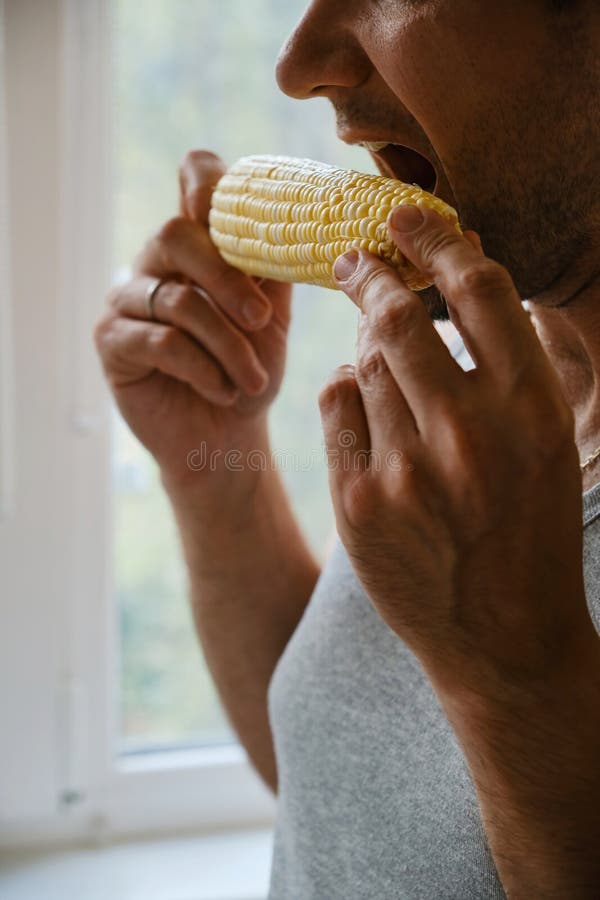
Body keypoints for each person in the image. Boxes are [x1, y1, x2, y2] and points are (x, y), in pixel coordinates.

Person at [95, 1, 600, 896]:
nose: (297, 62)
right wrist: (217, 463)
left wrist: (517, 681)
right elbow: (341, 789)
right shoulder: (474, 397)